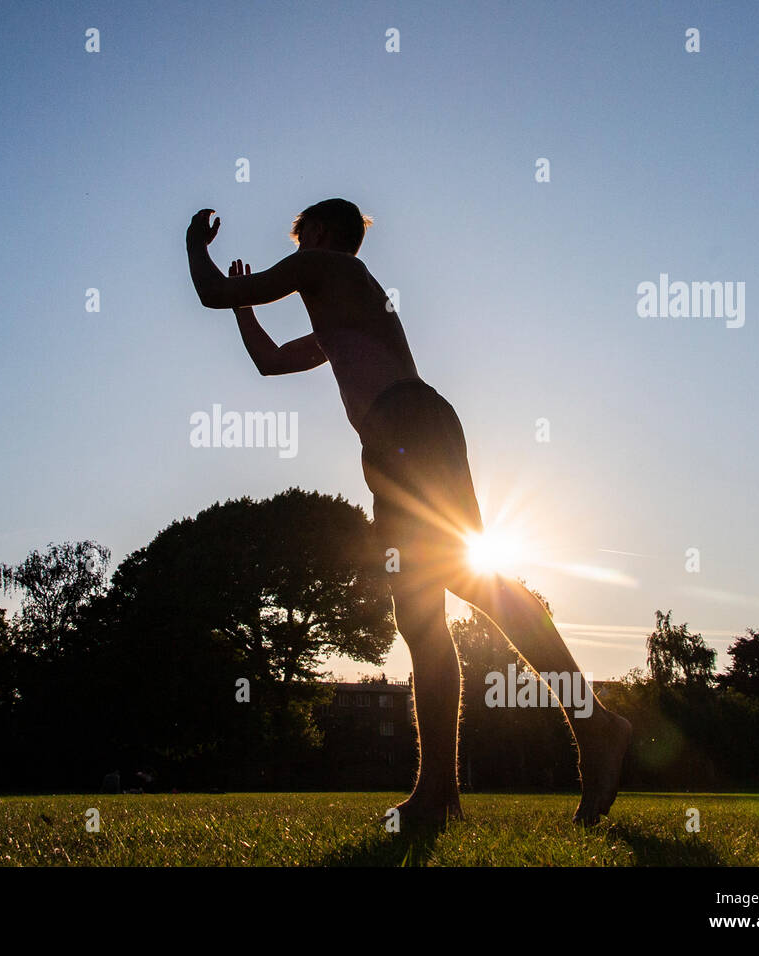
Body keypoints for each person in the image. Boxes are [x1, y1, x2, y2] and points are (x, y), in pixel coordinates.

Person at [186, 200, 631, 826]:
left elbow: (209, 291)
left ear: (321, 234)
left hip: (405, 424)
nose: (298, 241)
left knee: (466, 585)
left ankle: (591, 728)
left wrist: (194, 248)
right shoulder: (343, 313)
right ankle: (442, 793)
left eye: (303, 231)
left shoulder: (326, 268)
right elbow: (271, 360)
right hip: (402, 429)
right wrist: (243, 306)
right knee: (426, 614)